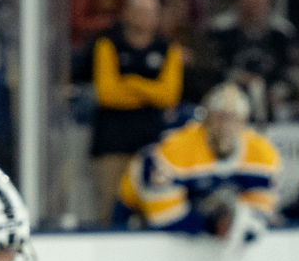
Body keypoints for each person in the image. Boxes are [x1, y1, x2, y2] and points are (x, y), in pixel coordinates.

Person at [119, 83, 281, 239]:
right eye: (219, 117)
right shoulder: (175, 150)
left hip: (194, 212)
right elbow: (162, 216)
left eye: (232, 118)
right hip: (135, 209)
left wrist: (237, 224)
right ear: (206, 119)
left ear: (243, 122)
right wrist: (211, 225)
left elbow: (261, 211)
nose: (225, 126)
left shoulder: (262, 154)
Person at [86, 0, 183, 226]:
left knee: (151, 207)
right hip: (112, 144)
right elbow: (107, 94)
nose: (144, 17)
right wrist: (151, 90)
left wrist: (131, 82)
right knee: (109, 209)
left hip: (151, 143)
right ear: (127, 13)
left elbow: (169, 95)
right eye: (138, 11)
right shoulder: (107, 44)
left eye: (150, 12)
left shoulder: (167, 49)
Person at [208, 0, 296, 122]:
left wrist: (277, 92)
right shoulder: (221, 29)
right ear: (240, 0)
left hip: (271, 98)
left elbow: (289, 72)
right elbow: (214, 68)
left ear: (268, 3)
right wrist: (241, 78)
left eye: (260, 2)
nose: (255, 6)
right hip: (230, 97)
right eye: (250, 2)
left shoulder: (282, 32)